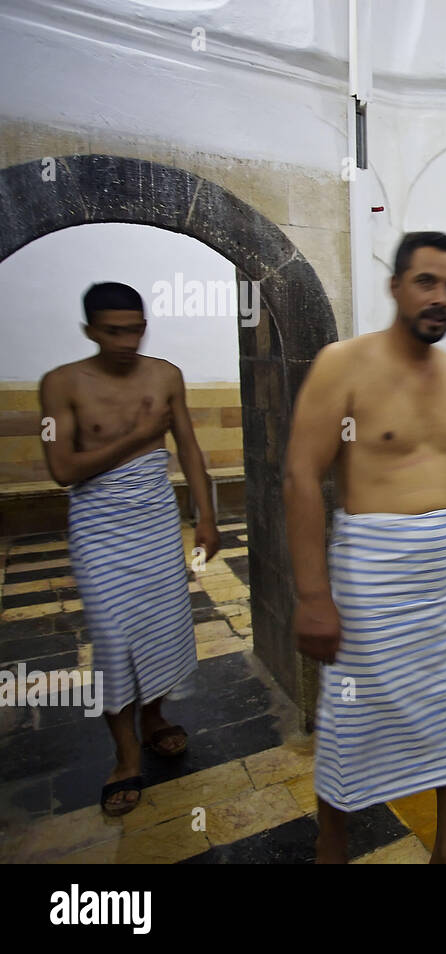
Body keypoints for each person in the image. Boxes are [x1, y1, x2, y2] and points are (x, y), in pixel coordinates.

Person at [284, 231, 446, 864]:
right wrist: (311, 595)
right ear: (395, 287)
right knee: (353, 718)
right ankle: (332, 846)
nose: (441, 298)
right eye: (427, 283)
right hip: (373, 574)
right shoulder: (343, 365)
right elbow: (301, 474)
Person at [38, 282, 221, 816]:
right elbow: (62, 470)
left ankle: (154, 716)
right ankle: (125, 757)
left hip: (156, 521)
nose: (127, 340)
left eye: (136, 328)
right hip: (98, 526)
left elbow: (186, 443)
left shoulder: (165, 375)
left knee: (161, 628)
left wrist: (207, 515)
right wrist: (139, 435)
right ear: (90, 330)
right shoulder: (60, 385)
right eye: (114, 330)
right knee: (113, 639)